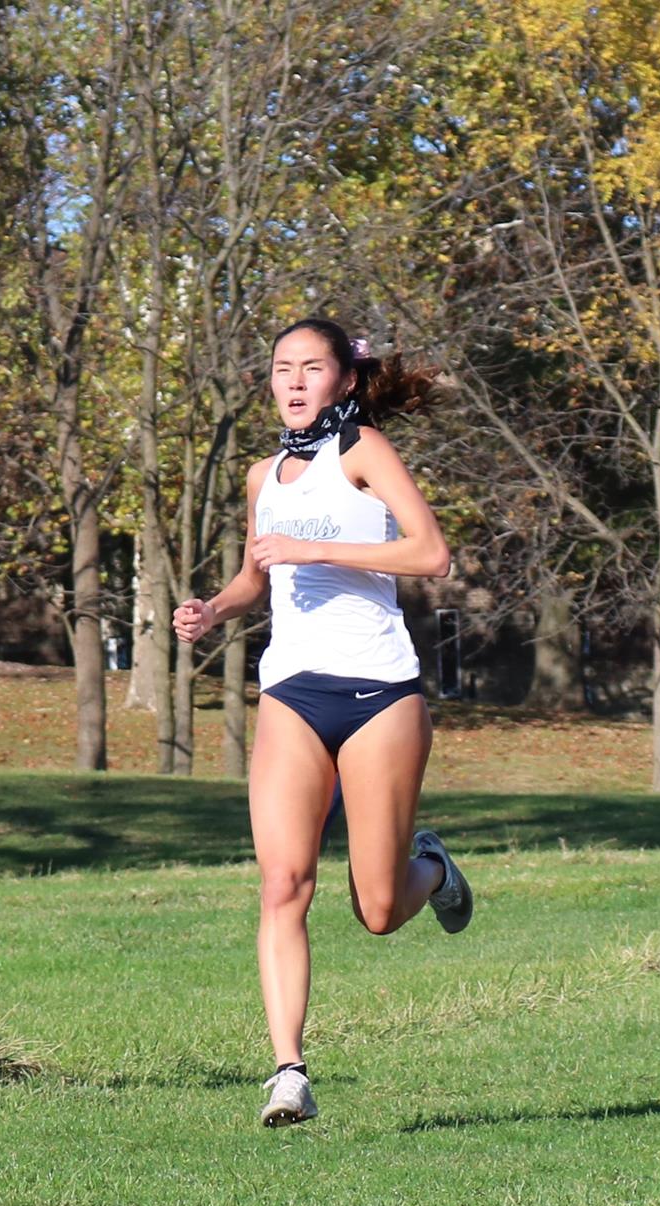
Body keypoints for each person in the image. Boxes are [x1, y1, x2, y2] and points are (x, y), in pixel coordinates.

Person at [175, 318, 472, 1128]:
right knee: (282, 884)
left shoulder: (365, 452)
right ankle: (288, 1072)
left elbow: (430, 554)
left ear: (345, 379)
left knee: (376, 910)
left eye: (312, 368)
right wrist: (214, 609)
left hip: (380, 692)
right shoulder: (261, 474)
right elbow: (254, 575)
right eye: (282, 369)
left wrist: (320, 556)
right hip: (291, 694)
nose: (295, 382)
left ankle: (435, 871)